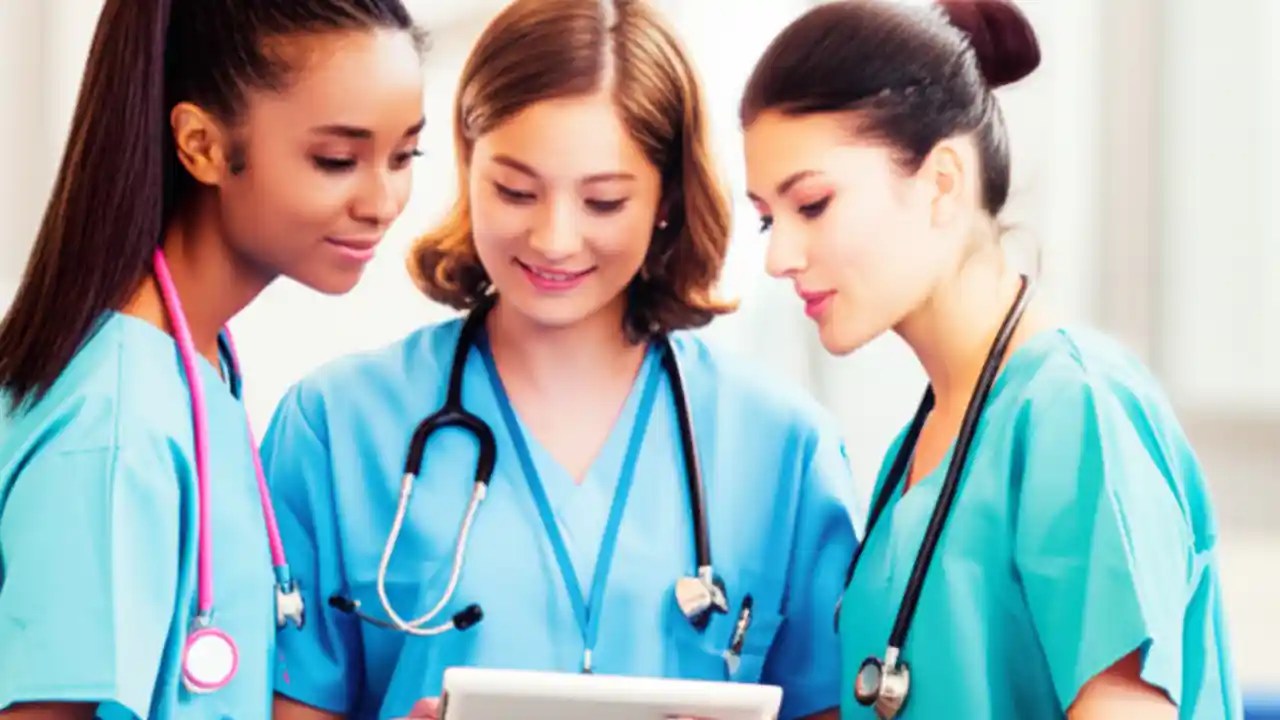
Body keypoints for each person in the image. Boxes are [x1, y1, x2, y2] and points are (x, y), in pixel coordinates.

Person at [262, 1, 859, 719]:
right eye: (515, 190)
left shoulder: (782, 447)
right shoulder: (336, 427)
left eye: (604, 201)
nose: (553, 239)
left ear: (666, 199)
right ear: (467, 161)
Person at [740, 1, 1241, 719]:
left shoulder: (1075, 408)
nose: (778, 257)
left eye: (812, 205)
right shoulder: (917, 454)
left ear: (943, 181)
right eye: (767, 218)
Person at [0, 1, 426, 718]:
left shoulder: (197, 368)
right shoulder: (116, 427)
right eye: (336, 160)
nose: (383, 201)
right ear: (200, 145)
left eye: (405, 155)